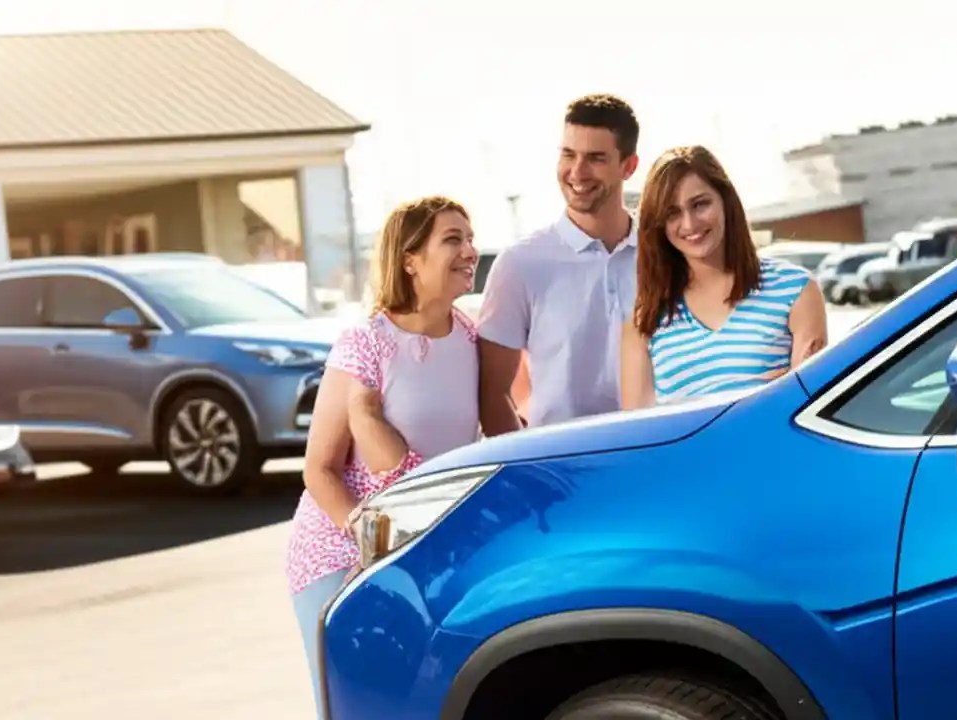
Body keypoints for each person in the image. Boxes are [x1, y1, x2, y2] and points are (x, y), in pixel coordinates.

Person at [284, 195, 481, 718]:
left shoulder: (469, 336)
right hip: (341, 555)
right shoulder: (366, 342)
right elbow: (319, 469)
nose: (470, 250)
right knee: (354, 705)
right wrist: (370, 543)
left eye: (470, 237)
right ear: (410, 259)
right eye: (452, 239)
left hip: (424, 551)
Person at [477, 93, 641, 434]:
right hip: (562, 469)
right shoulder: (520, 264)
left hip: (659, 458)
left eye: (595, 158)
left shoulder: (664, 252)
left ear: (629, 166)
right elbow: (492, 393)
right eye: (568, 154)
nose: (576, 172)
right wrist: (527, 476)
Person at [620, 145, 828, 408]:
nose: (690, 224)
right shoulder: (645, 321)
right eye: (672, 213)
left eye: (700, 204)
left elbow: (808, 405)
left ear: (725, 201)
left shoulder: (796, 290)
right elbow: (640, 436)